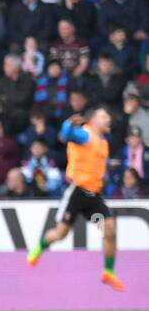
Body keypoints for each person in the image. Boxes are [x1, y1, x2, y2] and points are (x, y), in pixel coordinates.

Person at [28, 107, 125, 291]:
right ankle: (39, 247)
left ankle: (108, 271)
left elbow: (93, 161)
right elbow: (65, 136)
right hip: (78, 193)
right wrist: (67, 124)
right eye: (104, 116)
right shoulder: (85, 134)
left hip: (93, 197)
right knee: (61, 234)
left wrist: (108, 164)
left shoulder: (103, 143)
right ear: (92, 120)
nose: (108, 119)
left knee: (109, 230)